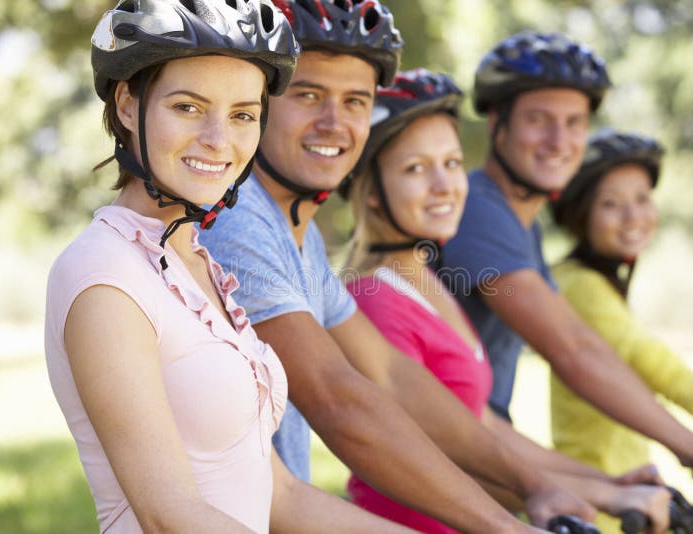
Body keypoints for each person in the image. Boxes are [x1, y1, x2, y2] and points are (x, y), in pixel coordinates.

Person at [200, 1, 593, 530]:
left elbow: (388, 374)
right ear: (259, 102)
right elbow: (338, 399)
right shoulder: (236, 221)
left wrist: (536, 486)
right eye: (309, 95)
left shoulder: (300, 236)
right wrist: (505, 525)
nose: (333, 122)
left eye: (355, 100)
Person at [44, 1, 416, 532]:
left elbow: (280, 496)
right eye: (189, 107)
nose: (219, 140)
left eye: (243, 114)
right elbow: (169, 515)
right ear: (128, 105)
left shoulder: (195, 260)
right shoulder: (105, 274)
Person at [342, 68, 672, 534]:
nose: (445, 186)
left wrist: (605, 481)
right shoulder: (374, 301)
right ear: (372, 192)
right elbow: (427, 459)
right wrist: (604, 495)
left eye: (453, 163)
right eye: (416, 169)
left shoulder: (433, 285)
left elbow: (485, 432)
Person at [441, 29, 693, 499]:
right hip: (444, 477)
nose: (559, 140)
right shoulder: (478, 210)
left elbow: (591, 348)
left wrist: (607, 482)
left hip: (477, 466)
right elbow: (573, 350)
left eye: (574, 122)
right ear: (496, 124)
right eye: (539, 119)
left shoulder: (519, 225)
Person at [549, 129, 693, 528]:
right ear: (581, 215)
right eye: (611, 204)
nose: (633, 216)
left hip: (626, 497)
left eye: (642, 199)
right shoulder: (580, 287)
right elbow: (667, 373)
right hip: (600, 510)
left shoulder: (596, 283)